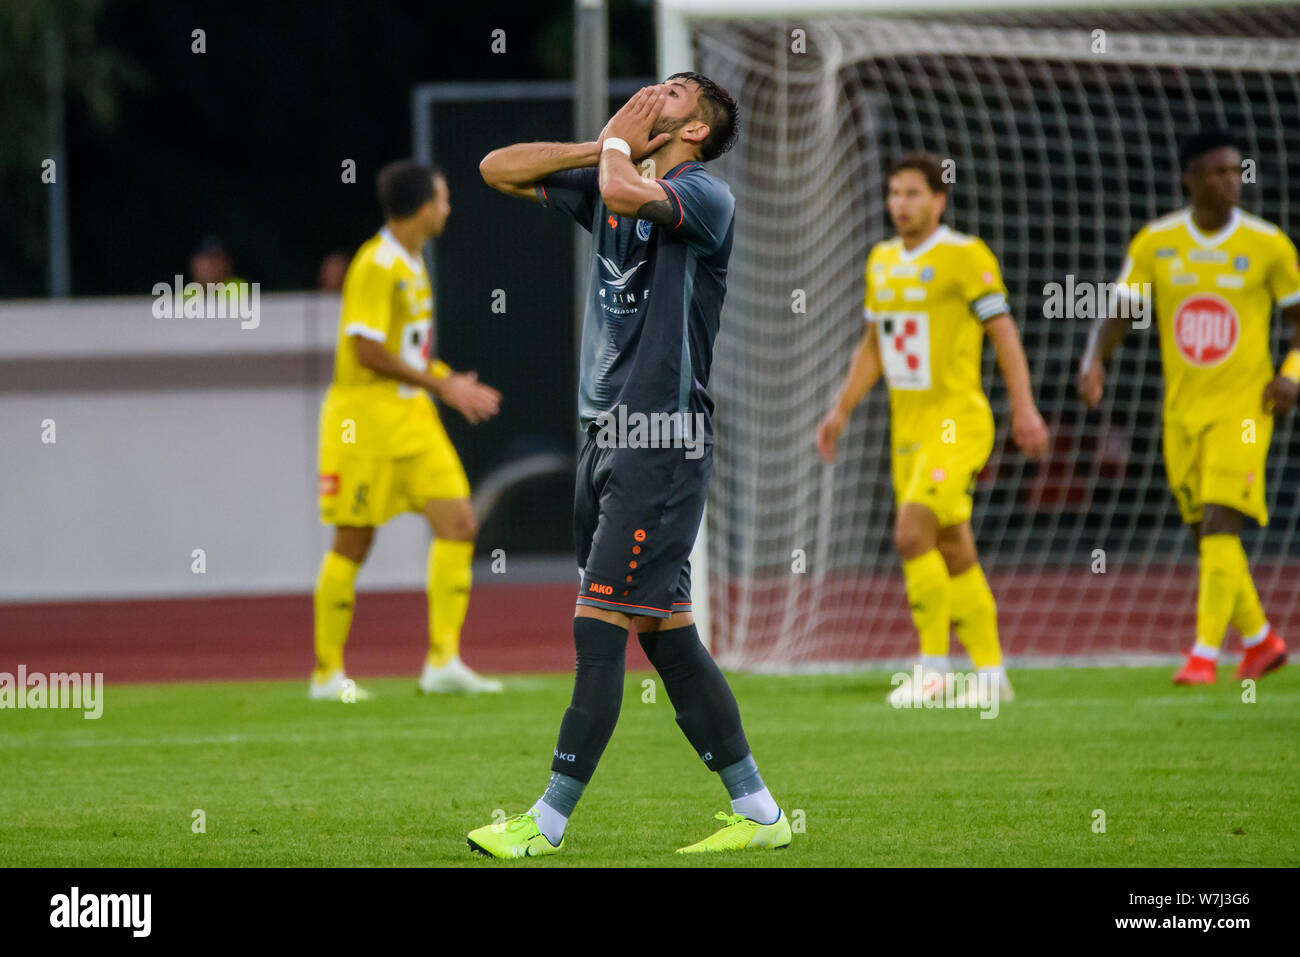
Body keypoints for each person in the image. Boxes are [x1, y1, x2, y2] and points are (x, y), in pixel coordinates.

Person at [470, 75, 791, 857]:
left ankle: (545, 822)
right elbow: (496, 167)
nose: (659, 90)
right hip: (606, 441)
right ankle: (759, 811)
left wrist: (615, 140)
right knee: (668, 636)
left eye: (676, 91)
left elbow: (619, 182)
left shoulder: (704, 196)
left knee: (598, 621)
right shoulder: (617, 176)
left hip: (662, 441)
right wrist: (600, 142)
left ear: (698, 133)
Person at [817, 152, 1049, 707]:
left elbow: (1004, 333)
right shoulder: (881, 261)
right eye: (894, 193)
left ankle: (932, 668)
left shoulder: (965, 256)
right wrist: (840, 410)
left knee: (910, 532)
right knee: (952, 544)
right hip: (909, 429)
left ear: (938, 200)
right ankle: (992, 676)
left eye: (914, 193)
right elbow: (874, 346)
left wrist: (1025, 410)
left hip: (957, 422)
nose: (901, 204)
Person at [1079, 129, 1299, 684]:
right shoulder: (1157, 242)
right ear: (1191, 178)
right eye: (1220, 172)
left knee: (1224, 520)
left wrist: (1292, 376)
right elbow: (1122, 309)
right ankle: (1260, 640)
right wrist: (1093, 361)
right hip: (1181, 413)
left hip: (1247, 411)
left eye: (1238, 171)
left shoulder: (1269, 245)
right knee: (1206, 533)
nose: (1233, 181)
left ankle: (1203, 655)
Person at [311, 160, 504, 700]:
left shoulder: (412, 262)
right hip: (363, 425)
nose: (448, 208)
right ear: (423, 208)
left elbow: (407, 351)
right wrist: (441, 386)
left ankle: (442, 660)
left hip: (413, 421)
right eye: (443, 200)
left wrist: (445, 380)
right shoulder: (375, 264)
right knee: (354, 539)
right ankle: (327, 674)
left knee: (459, 522)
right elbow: (365, 350)